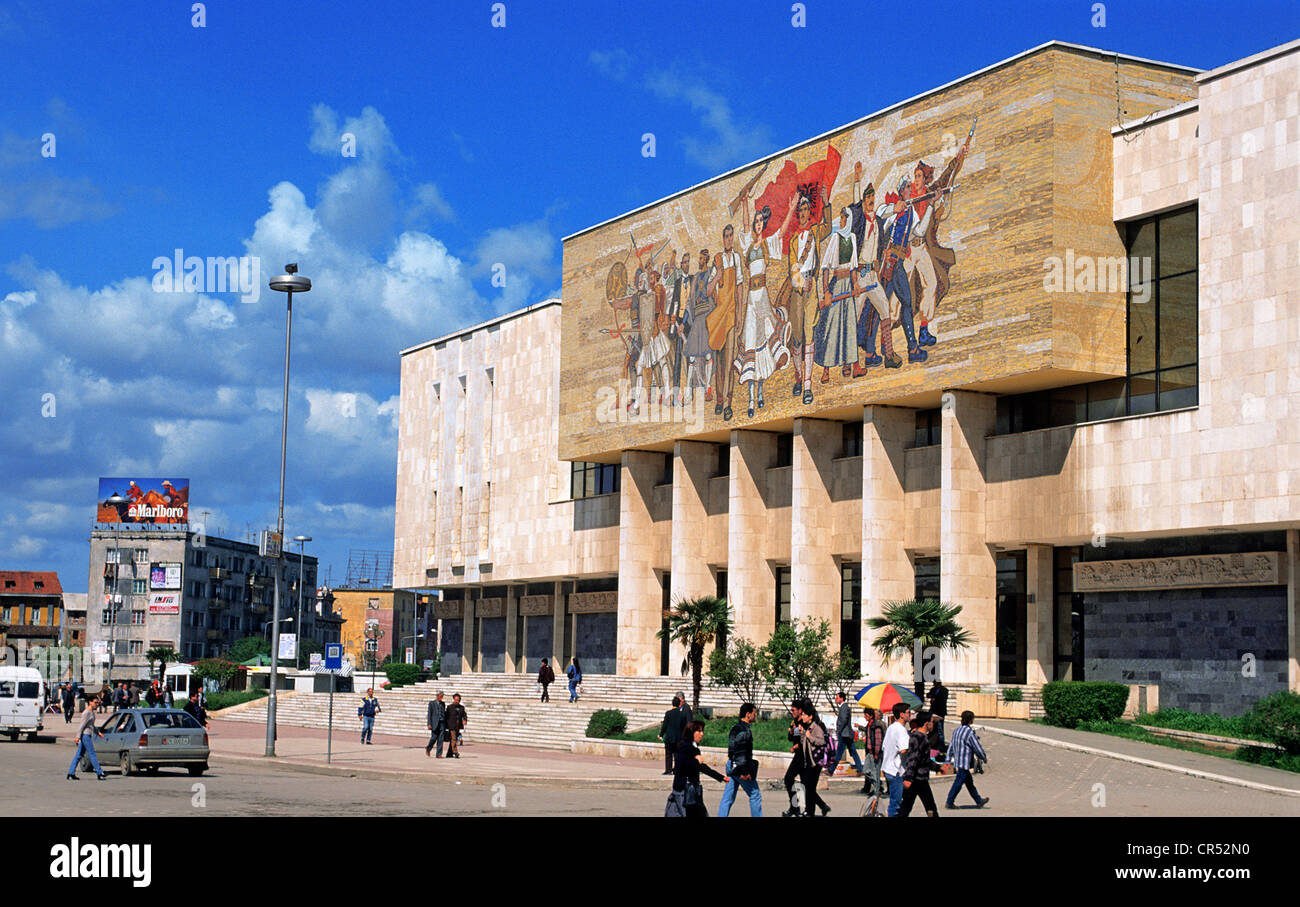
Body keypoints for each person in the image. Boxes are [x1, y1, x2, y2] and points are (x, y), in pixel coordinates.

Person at [665, 720, 726, 817]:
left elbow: (702, 767)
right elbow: (680, 766)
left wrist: (721, 777)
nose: (702, 734)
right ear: (691, 732)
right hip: (683, 791)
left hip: (692, 790)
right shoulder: (684, 746)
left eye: (702, 731)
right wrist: (696, 761)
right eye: (699, 731)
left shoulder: (694, 748)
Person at [717, 702, 762, 817]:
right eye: (754, 713)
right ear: (748, 714)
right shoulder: (744, 731)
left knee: (728, 797)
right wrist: (743, 771)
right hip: (740, 766)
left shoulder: (735, 727)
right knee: (755, 794)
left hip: (731, 764)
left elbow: (731, 749)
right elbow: (741, 752)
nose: (755, 716)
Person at [945, 710, 990, 809]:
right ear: (971, 720)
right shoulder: (969, 732)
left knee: (969, 783)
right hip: (964, 762)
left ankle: (979, 800)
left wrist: (948, 759)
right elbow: (976, 746)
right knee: (958, 783)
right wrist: (983, 757)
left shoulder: (957, 730)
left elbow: (951, 746)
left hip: (958, 761)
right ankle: (949, 802)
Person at [899, 710, 940, 818]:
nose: (933, 724)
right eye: (932, 722)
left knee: (906, 807)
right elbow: (914, 758)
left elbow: (924, 759)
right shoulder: (920, 738)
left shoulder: (918, 736)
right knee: (929, 806)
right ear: (927, 723)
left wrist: (938, 767)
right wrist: (908, 778)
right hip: (918, 778)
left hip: (917, 778)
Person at [881, 702, 912, 817]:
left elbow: (884, 746)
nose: (910, 715)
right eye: (908, 712)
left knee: (897, 799)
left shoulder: (891, 728)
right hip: (896, 770)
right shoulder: (901, 730)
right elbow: (904, 750)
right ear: (902, 714)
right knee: (896, 802)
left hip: (888, 768)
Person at [66, 696, 107, 781]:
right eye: (95, 702)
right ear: (90, 702)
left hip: (87, 735)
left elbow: (91, 725)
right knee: (92, 754)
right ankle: (100, 772)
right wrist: (77, 737)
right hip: (85, 735)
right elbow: (82, 725)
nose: (97, 704)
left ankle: (71, 772)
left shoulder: (91, 712)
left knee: (79, 755)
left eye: (98, 703)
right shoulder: (86, 712)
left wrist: (98, 732)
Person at [831, 691, 864, 776]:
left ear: (842, 698)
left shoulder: (844, 707)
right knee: (853, 752)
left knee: (839, 752)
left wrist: (838, 731)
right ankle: (860, 769)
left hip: (844, 734)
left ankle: (831, 770)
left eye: (837, 698)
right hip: (846, 734)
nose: (836, 699)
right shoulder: (843, 707)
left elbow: (843, 720)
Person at [859, 707, 886, 797]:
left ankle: (877, 790)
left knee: (875, 771)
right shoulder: (869, 725)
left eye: (866, 715)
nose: (865, 717)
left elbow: (878, 740)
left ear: (871, 716)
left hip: (875, 752)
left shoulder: (877, 725)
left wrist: (876, 753)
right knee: (866, 771)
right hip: (869, 752)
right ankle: (878, 785)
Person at [658, 695, 687, 775]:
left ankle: (668, 770)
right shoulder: (682, 714)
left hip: (669, 737)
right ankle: (677, 770)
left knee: (668, 754)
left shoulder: (668, 713)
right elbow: (684, 726)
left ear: (672, 704)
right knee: (677, 754)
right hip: (679, 738)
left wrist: (661, 734)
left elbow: (665, 725)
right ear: (679, 704)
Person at [927, 680, 949, 748]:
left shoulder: (944, 690)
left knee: (940, 728)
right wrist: (931, 697)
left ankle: (941, 743)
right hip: (933, 710)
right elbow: (928, 694)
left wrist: (935, 699)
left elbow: (943, 699)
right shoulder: (933, 689)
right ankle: (933, 742)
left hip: (940, 711)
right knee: (933, 727)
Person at [426, 691, 448, 757]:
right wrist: (429, 724)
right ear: (437, 696)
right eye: (440, 696)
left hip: (442, 723)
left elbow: (444, 713)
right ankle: (428, 748)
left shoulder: (443, 704)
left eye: (442, 696)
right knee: (434, 737)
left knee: (441, 739)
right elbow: (429, 714)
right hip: (435, 723)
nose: (441, 698)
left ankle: (439, 754)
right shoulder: (432, 703)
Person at [445, 693, 467, 758]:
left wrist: (465, 720)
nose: (456, 701)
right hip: (451, 726)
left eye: (458, 700)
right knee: (454, 739)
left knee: (453, 740)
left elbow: (464, 715)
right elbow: (446, 716)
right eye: (455, 700)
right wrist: (446, 726)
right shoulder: (449, 707)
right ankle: (455, 752)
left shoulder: (461, 708)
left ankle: (449, 754)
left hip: (458, 726)